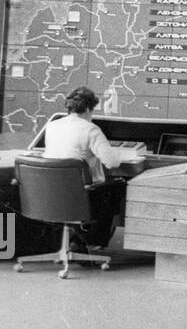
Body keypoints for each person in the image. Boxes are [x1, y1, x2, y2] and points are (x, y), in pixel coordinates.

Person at [40, 86, 143, 247]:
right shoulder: (90, 129)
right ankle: (93, 242)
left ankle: (78, 239)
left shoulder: (52, 126)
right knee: (118, 186)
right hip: (82, 196)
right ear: (88, 109)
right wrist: (118, 153)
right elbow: (112, 163)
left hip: (52, 195)